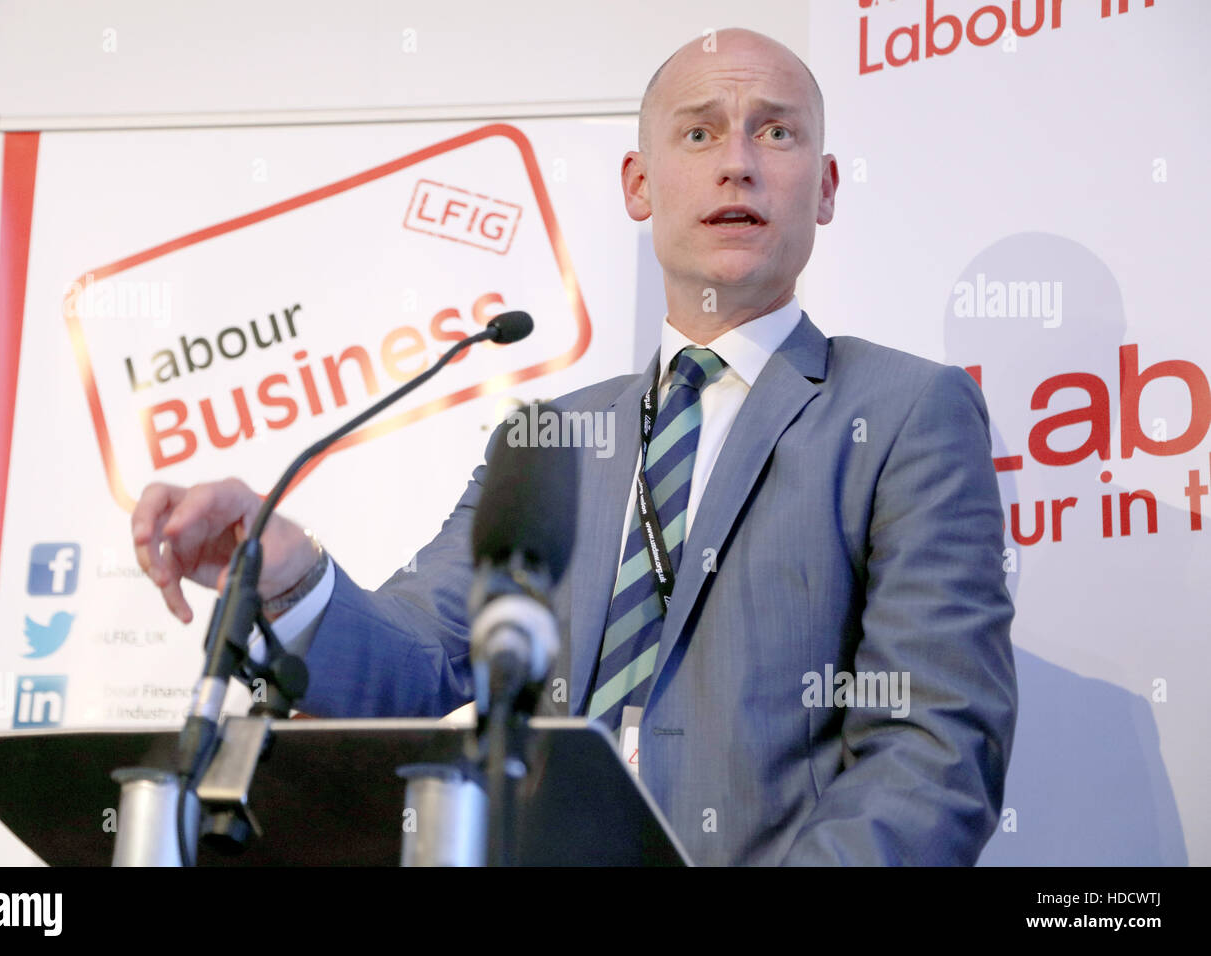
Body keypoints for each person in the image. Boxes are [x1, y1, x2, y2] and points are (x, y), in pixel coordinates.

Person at [132, 28, 1016, 865]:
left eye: (774, 132)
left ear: (824, 188)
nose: (737, 162)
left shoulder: (906, 412)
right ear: (639, 183)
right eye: (699, 133)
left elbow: (933, 748)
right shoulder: (551, 437)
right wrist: (290, 574)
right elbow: (426, 657)